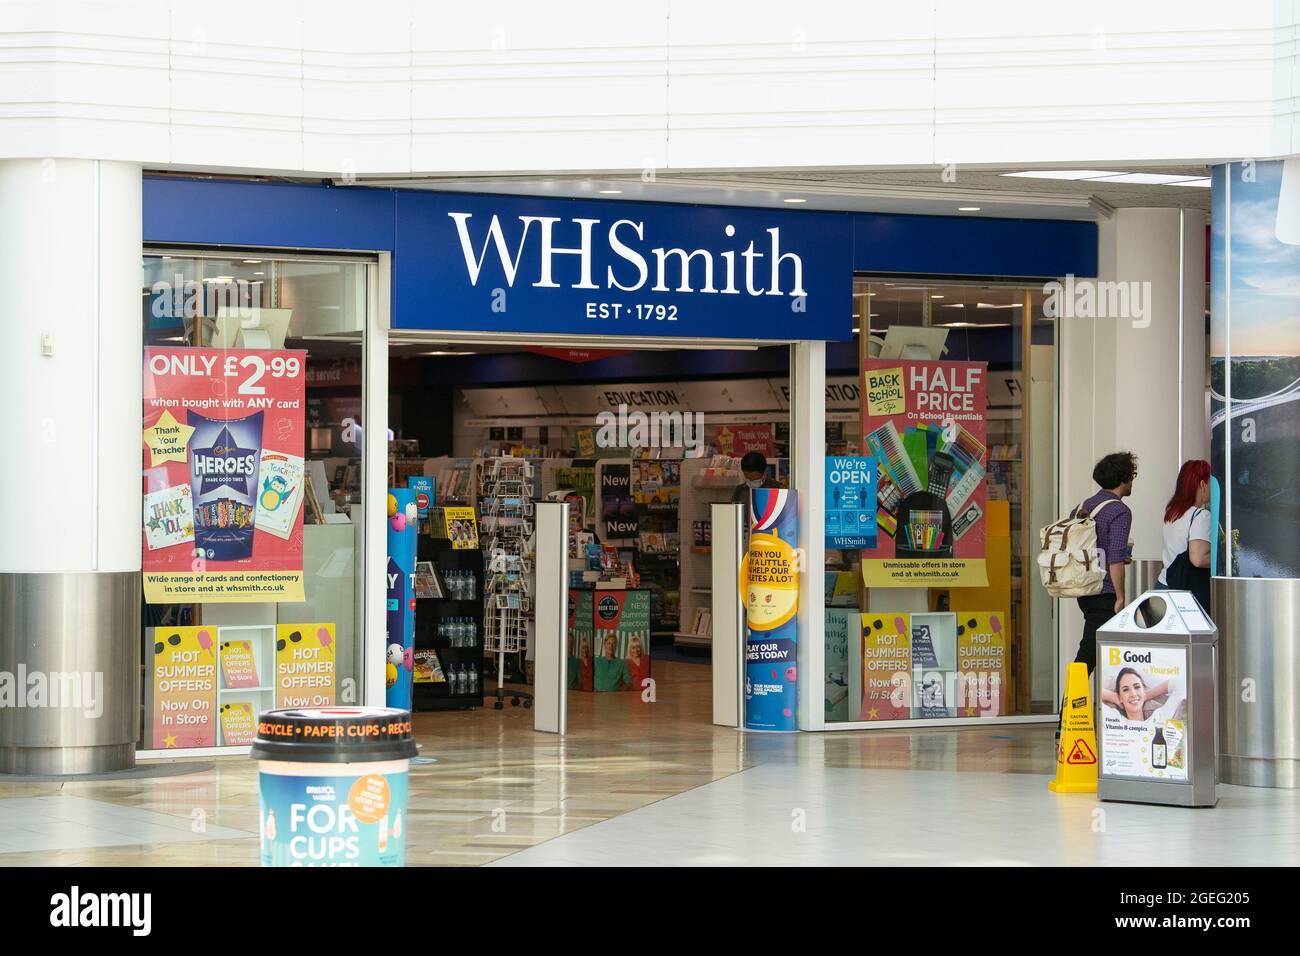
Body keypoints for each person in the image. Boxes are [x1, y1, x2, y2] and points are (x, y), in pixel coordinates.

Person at [1073, 452, 1137, 674]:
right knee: (1088, 656)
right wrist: (1120, 597)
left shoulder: (1083, 506)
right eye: (1131, 476)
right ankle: (1069, 708)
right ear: (1123, 479)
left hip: (1084, 588)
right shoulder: (1119, 510)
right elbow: (1115, 557)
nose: (1132, 481)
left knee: (1101, 653)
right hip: (1104, 591)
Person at [1156, 459, 1212, 610]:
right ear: (1202, 484)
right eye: (1210, 481)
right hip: (1185, 593)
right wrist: (1223, 561)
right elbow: (1198, 559)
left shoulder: (1172, 513)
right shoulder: (1202, 515)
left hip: (1164, 584)